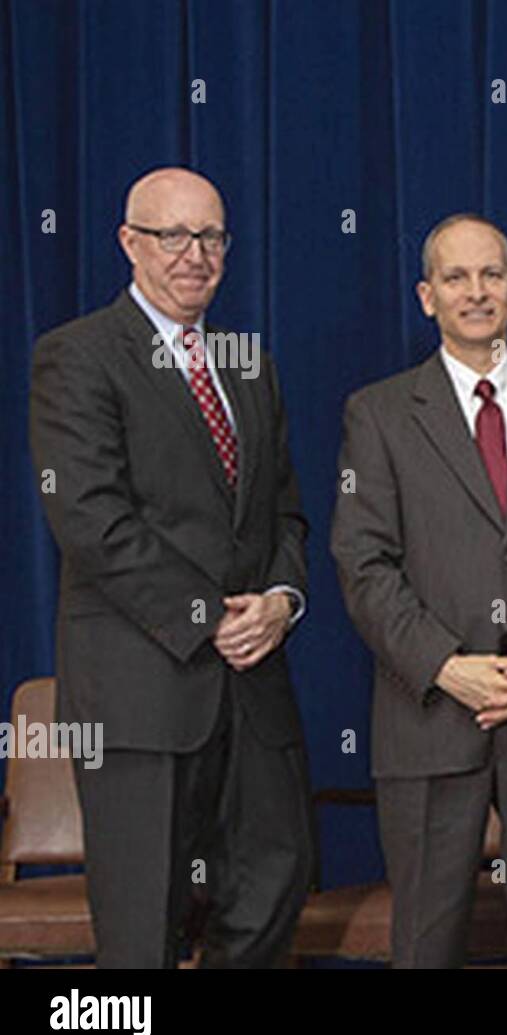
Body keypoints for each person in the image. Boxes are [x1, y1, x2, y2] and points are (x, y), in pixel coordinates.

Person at [28, 167, 313, 967]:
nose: (196, 254)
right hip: (139, 691)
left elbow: (285, 512)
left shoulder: (248, 362)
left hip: (252, 689)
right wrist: (209, 615)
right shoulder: (78, 355)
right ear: (130, 242)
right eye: (173, 235)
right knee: (140, 924)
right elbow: (90, 519)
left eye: (212, 236)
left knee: (275, 879)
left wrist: (283, 601)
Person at [331, 214, 507, 968]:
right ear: (427, 297)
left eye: (492, 275)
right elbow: (363, 563)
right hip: (429, 722)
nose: (476, 291)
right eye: (456, 278)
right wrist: (447, 666)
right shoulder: (379, 414)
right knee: (426, 946)